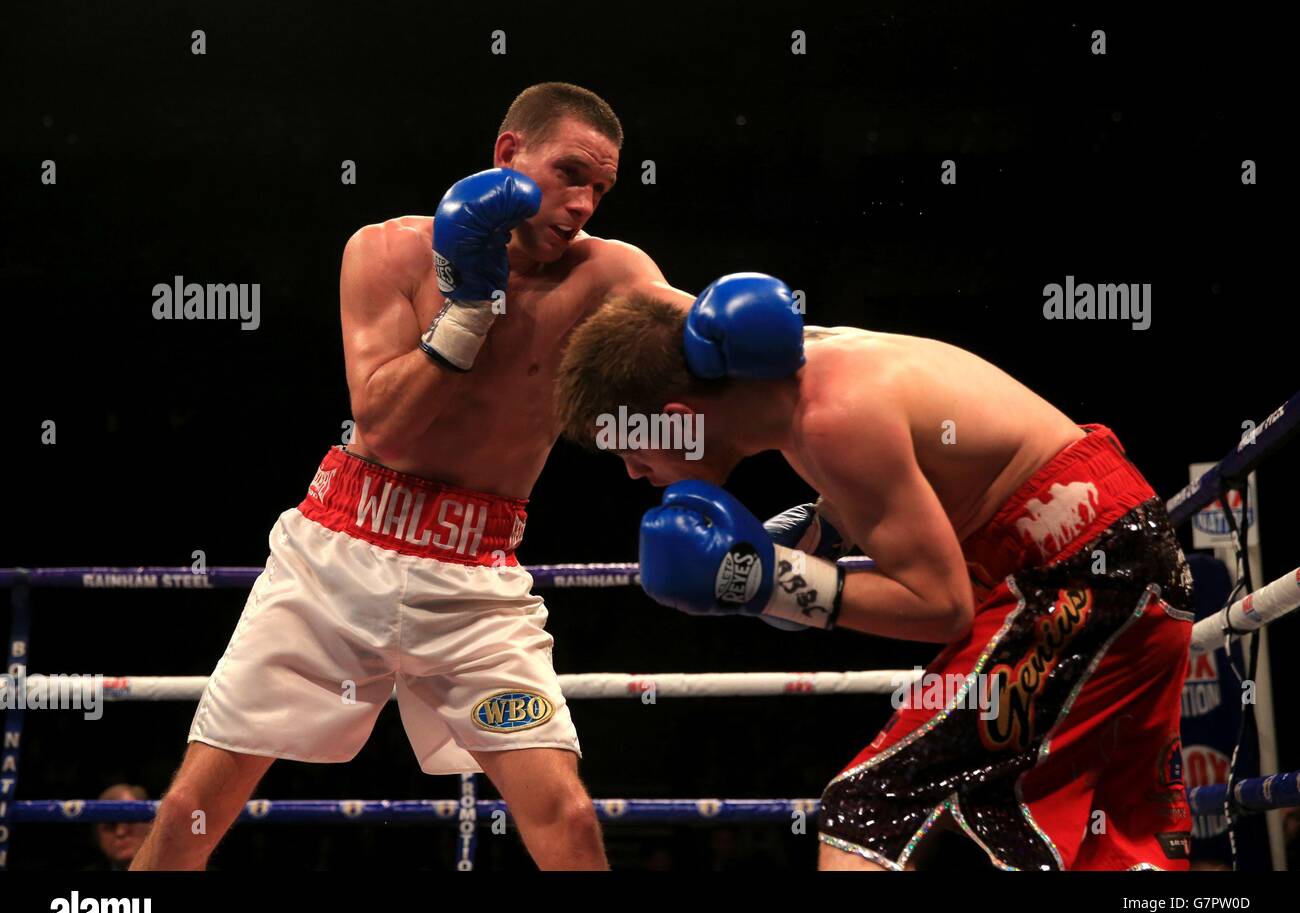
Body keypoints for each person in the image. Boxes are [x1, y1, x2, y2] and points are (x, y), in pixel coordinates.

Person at [132, 82, 696, 871]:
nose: (582, 205)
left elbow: (716, 349)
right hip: (335, 556)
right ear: (509, 156)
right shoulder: (384, 251)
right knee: (194, 807)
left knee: (566, 817)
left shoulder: (609, 274)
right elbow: (384, 423)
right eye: (569, 174)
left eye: (599, 188)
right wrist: (469, 311)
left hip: (475, 578)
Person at [554, 273, 1196, 871]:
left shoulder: (831, 416)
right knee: (1113, 840)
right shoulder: (796, 381)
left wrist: (771, 582)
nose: (635, 473)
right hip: (1102, 554)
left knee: (869, 807)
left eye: (625, 449)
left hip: (1081, 571)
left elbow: (940, 608)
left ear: (675, 420)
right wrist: (822, 528)